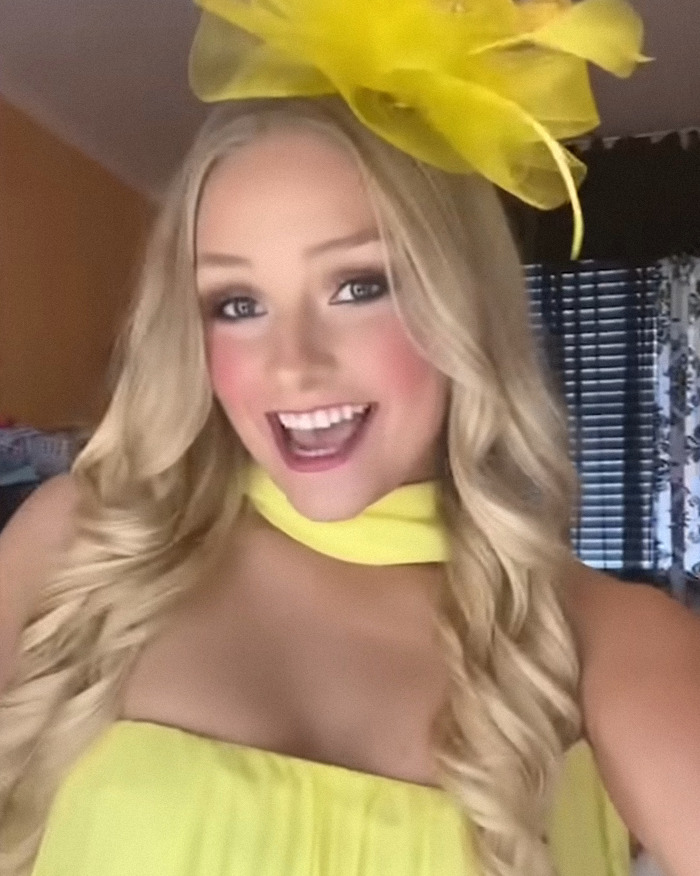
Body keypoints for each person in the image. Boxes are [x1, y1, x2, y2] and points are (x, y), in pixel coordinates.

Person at [0, 3, 699, 876]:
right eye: (237, 304)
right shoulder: (81, 541)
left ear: (462, 306)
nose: (292, 365)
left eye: (360, 286)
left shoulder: (605, 639)